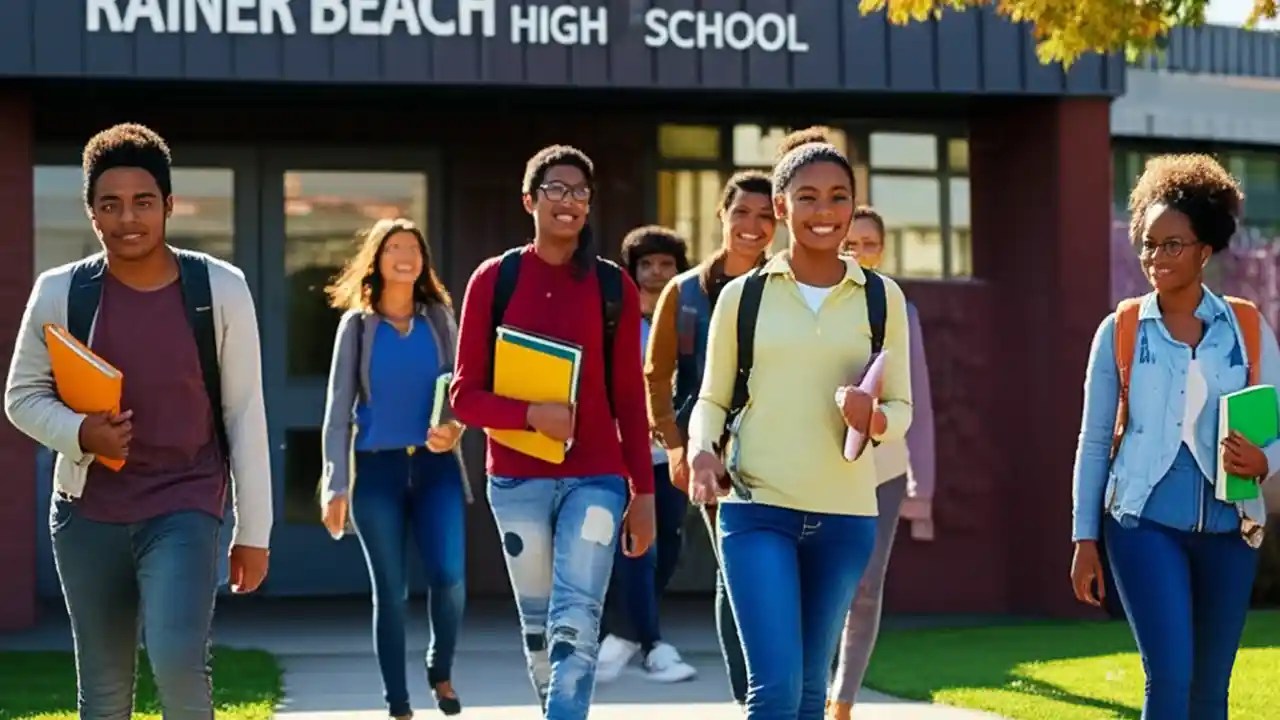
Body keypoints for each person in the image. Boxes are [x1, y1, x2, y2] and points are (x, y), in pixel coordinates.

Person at [4, 123, 272, 719]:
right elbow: (20, 397)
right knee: (101, 689)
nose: (129, 218)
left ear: (169, 205)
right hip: (86, 514)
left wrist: (254, 531)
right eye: (111, 204)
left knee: (178, 661)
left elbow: (245, 413)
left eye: (144, 202)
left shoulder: (220, 290)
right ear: (92, 213)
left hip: (185, 502)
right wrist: (80, 433)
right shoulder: (60, 293)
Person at [687, 137, 913, 718]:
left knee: (813, 693)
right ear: (782, 208)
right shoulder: (745, 296)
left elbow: (902, 408)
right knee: (776, 691)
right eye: (807, 197)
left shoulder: (882, 298)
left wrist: (875, 418)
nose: (824, 211)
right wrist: (701, 451)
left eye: (839, 197)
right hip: (757, 506)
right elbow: (712, 396)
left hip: (846, 516)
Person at [449, 144, 657, 720]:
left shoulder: (614, 287)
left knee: (577, 617)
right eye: (556, 189)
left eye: (580, 192)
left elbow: (629, 403)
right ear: (529, 200)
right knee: (541, 629)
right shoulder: (495, 280)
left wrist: (642, 494)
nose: (569, 202)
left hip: (597, 477)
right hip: (517, 482)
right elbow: (464, 397)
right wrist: (531, 415)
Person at [1071, 153, 1277, 720]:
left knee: (1211, 690)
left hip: (1231, 529)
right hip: (1142, 524)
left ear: (1205, 250)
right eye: (1148, 244)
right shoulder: (1121, 330)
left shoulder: (1249, 328)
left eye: (1172, 245)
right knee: (1169, 678)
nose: (1155, 258)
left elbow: (1278, 423)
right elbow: (1093, 442)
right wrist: (1084, 538)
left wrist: (1264, 459)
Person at [319, 218, 468, 719]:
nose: (405, 256)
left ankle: (439, 668)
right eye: (394, 248)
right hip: (376, 473)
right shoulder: (357, 327)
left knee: (449, 577)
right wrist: (334, 484)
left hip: (436, 468)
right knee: (392, 590)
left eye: (413, 248)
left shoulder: (440, 319)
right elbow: (337, 411)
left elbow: (463, 395)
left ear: (423, 261)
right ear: (377, 260)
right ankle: (398, 703)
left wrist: (455, 429)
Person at [642, 169, 775, 707]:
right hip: (711, 456)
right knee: (735, 569)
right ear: (721, 215)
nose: (752, 225)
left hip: (780, 449)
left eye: (766, 216)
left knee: (777, 572)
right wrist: (675, 446)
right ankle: (752, 699)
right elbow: (657, 376)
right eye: (741, 212)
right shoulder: (684, 292)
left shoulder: (787, 286)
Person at [828, 206, 936, 719]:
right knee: (822, 585)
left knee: (867, 587)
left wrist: (922, 485)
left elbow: (920, 403)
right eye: (850, 244)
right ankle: (810, 686)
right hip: (820, 470)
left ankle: (843, 701)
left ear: (882, 250)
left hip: (884, 471)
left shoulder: (900, 310)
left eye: (869, 244)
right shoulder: (815, 305)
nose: (859, 253)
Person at [597, 225, 698, 684]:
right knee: (638, 549)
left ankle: (624, 635)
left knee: (669, 546)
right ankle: (653, 643)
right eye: (647, 265)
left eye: (666, 265)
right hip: (623, 455)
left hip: (674, 455)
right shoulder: (614, 322)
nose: (656, 273)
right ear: (632, 271)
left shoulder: (687, 321)